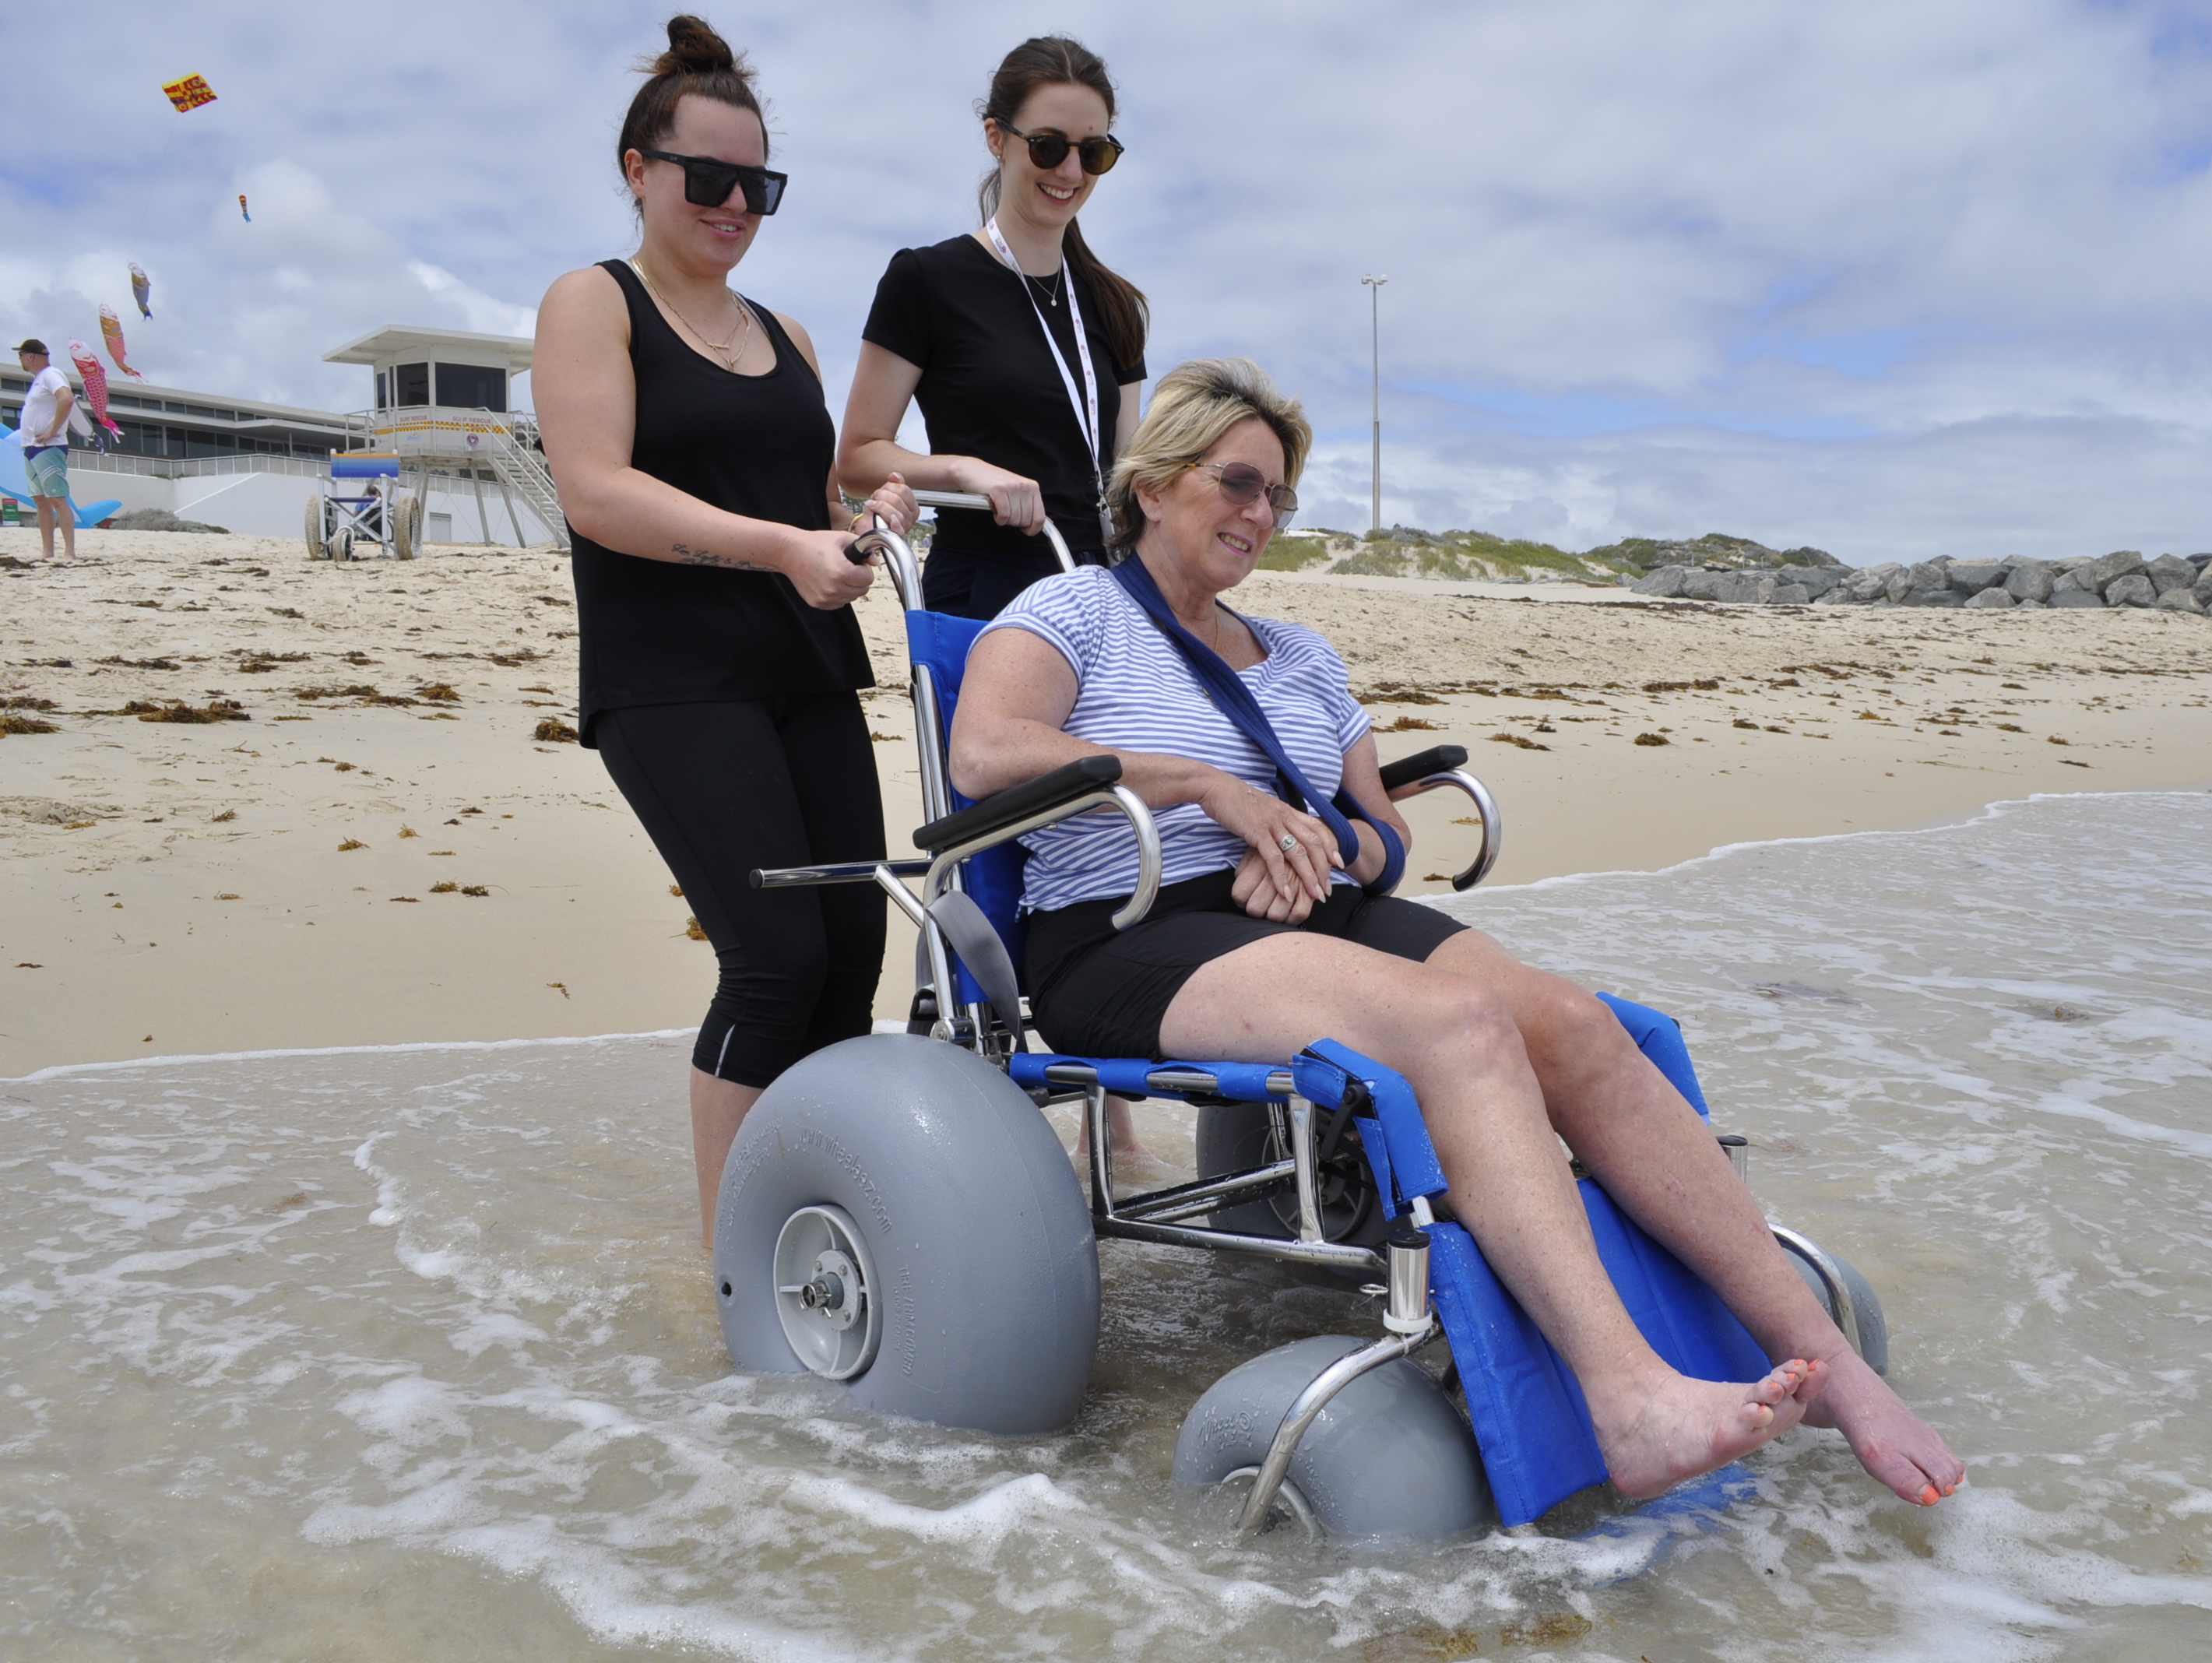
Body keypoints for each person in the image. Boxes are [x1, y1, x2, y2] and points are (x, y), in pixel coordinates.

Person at [948, 358, 1969, 1506]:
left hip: (1318, 906)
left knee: (1581, 1027)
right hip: (1129, 927)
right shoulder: (1069, 610)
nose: (1260, 516)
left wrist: (1328, 849)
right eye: (1237, 484)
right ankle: (1625, 1395)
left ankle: (1820, 1361)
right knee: (1463, 1028)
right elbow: (984, 755)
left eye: (1278, 496)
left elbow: (1383, 831)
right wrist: (1204, 788)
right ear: (1152, 486)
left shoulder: (1299, 655)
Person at [533, 14, 917, 1247]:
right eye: (710, 178)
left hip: (803, 670)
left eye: (761, 184)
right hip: (671, 678)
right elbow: (597, 491)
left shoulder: (787, 336)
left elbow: (811, 508)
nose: (736, 203)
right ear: (640, 170)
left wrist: (863, 516)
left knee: (853, 951)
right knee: (770, 960)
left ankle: (828, 1222)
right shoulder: (594, 301)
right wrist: (786, 549)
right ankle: (741, 1267)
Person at [839, 34, 1148, 621]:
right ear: (996, 138)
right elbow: (856, 458)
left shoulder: (1114, 305)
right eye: (1048, 146)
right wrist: (963, 472)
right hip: (985, 590)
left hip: (1106, 589)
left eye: (1095, 152)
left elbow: (1127, 471)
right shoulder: (926, 280)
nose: (1072, 170)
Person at [15, 340, 75, 561]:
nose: (20, 359)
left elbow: (66, 399)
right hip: (31, 447)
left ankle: (69, 552)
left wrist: (52, 431)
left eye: (21, 355)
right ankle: (48, 551)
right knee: (40, 500)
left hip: (48, 447)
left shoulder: (51, 374)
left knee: (57, 498)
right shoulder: (39, 381)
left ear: (30, 356)